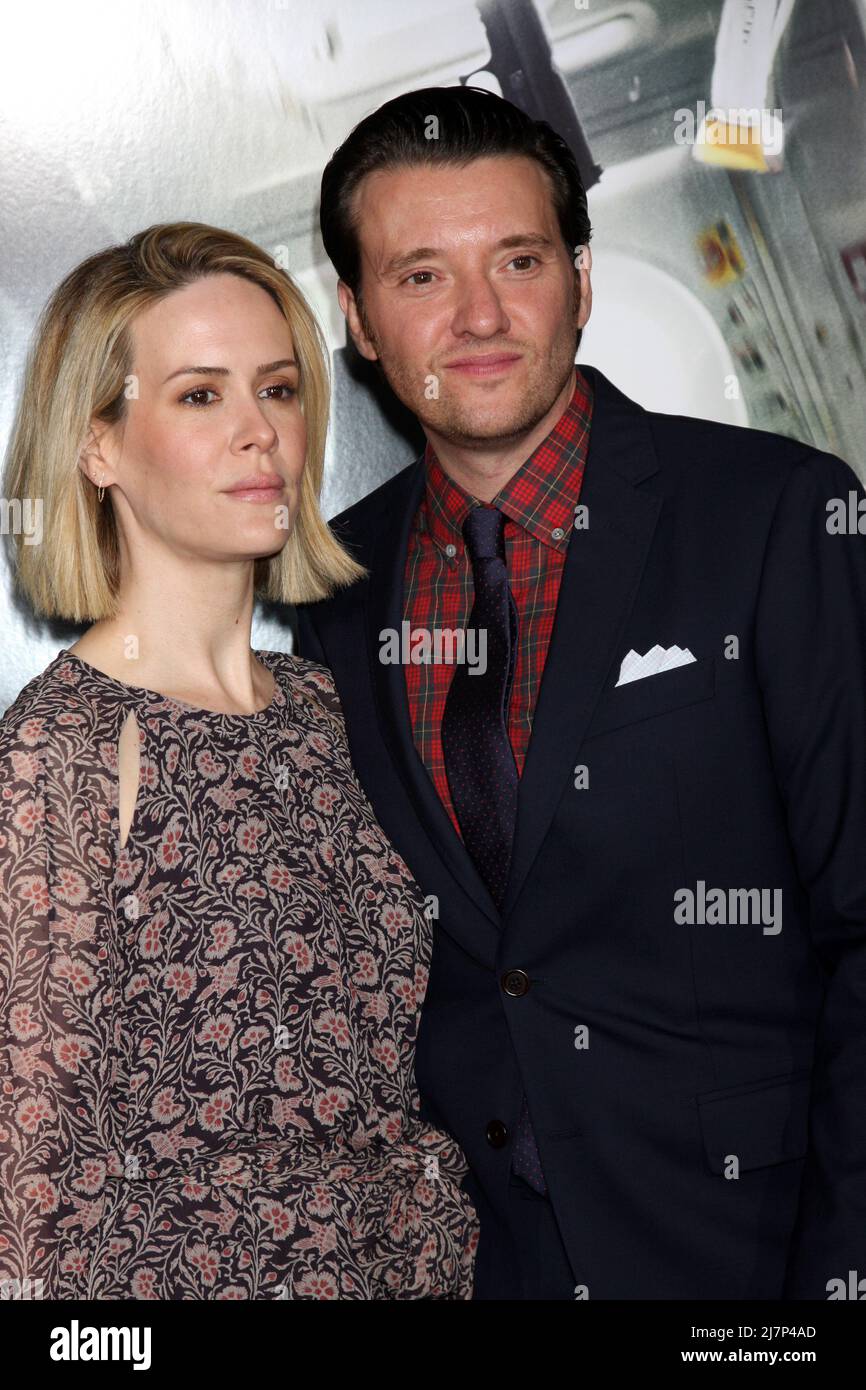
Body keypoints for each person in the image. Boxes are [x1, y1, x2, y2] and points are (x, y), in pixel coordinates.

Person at [295, 85, 866, 1300]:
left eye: (518, 259)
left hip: (752, 1257)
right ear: (357, 320)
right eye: (420, 276)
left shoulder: (774, 516)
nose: (480, 315)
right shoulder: (334, 594)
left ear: (581, 279)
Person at [0, 221, 478, 1300]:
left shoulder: (321, 704)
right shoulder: (64, 752)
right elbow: (29, 1196)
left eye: (278, 389)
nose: (260, 432)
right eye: (200, 395)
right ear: (98, 445)